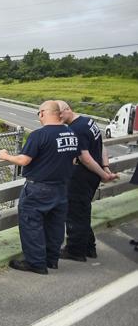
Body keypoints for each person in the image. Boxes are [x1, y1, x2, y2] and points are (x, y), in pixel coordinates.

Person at [0, 101, 80, 274]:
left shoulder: (39, 135)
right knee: (55, 225)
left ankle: (36, 263)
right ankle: (51, 259)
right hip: (61, 186)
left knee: (31, 224)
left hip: (39, 188)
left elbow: (23, 160)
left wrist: (5, 155)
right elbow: (73, 160)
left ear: (43, 113)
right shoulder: (70, 132)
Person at [59, 100, 118, 262]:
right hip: (92, 177)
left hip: (82, 177)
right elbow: (101, 145)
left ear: (67, 109)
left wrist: (104, 174)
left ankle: (75, 250)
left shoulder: (75, 129)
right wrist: (105, 168)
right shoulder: (88, 121)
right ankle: (88, 247)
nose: (58, 118)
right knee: (83, 212)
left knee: (75, 213)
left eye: (60, 114)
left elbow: (84, 157)